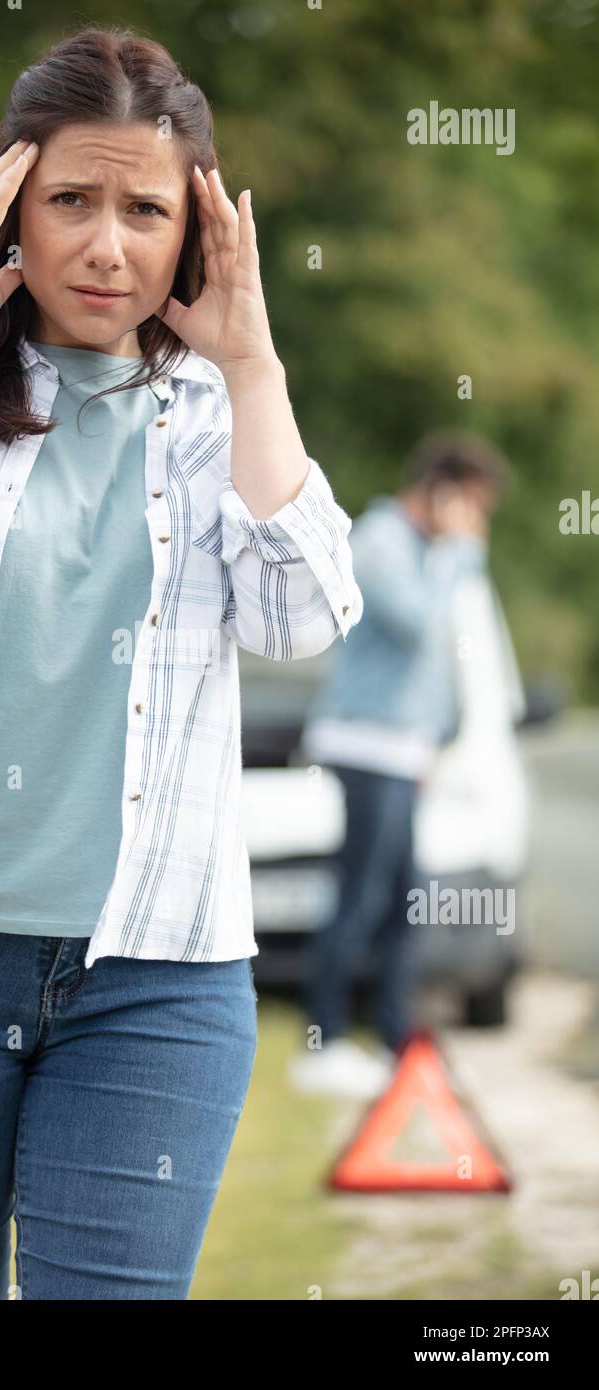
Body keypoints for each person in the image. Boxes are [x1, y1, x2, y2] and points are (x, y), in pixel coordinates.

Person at [0, 24, 363, 1299]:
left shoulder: (217, 413)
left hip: (154, 979)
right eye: (70, 201)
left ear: (193, 235)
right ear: (9, 209)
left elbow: (301, 614)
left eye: (146, 209)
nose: (107, 244)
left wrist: (252, 363)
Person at [289, 429, 512, 1099]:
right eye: (470, 505)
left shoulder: (423, 551)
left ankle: (394, 1042)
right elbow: (415, 623)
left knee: (401, 907)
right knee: (359, 896)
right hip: (364, 747)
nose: (475, 524)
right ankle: (322, 1042)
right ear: (443, 492)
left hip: (403, 753)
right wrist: (460, 553)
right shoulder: (382, 539)